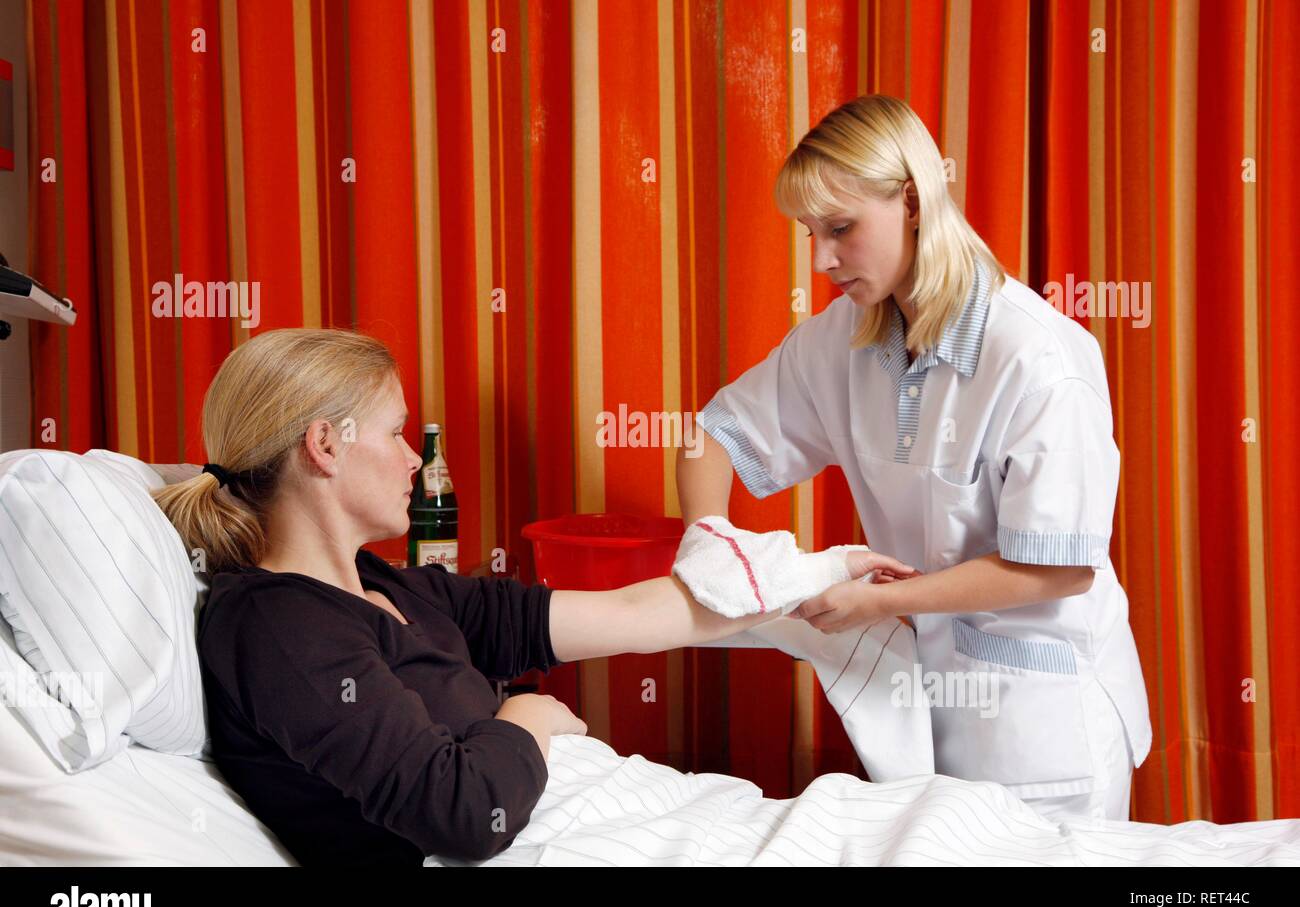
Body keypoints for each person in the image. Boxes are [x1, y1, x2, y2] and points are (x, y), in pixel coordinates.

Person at [152, 327, 914, 865]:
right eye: (394, 434)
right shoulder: (277, 628)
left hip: (584, 806)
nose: (415, 460)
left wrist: (818, 575)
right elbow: (456, 816)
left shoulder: (392, 585)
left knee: (910, 830)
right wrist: (526, 717)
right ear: (325, 445)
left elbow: (628, 613)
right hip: (524, 838)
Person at [676, 94, 1152, 823]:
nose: (823, 259)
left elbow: (1057, 566)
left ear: (912, 201)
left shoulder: (1038, 358)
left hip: (1046, 731)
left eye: (840, 228)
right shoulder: (842, 340)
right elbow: (712, 435)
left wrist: (882, 601)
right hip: (932, 716)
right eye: (810, 232)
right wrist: (708, 537)